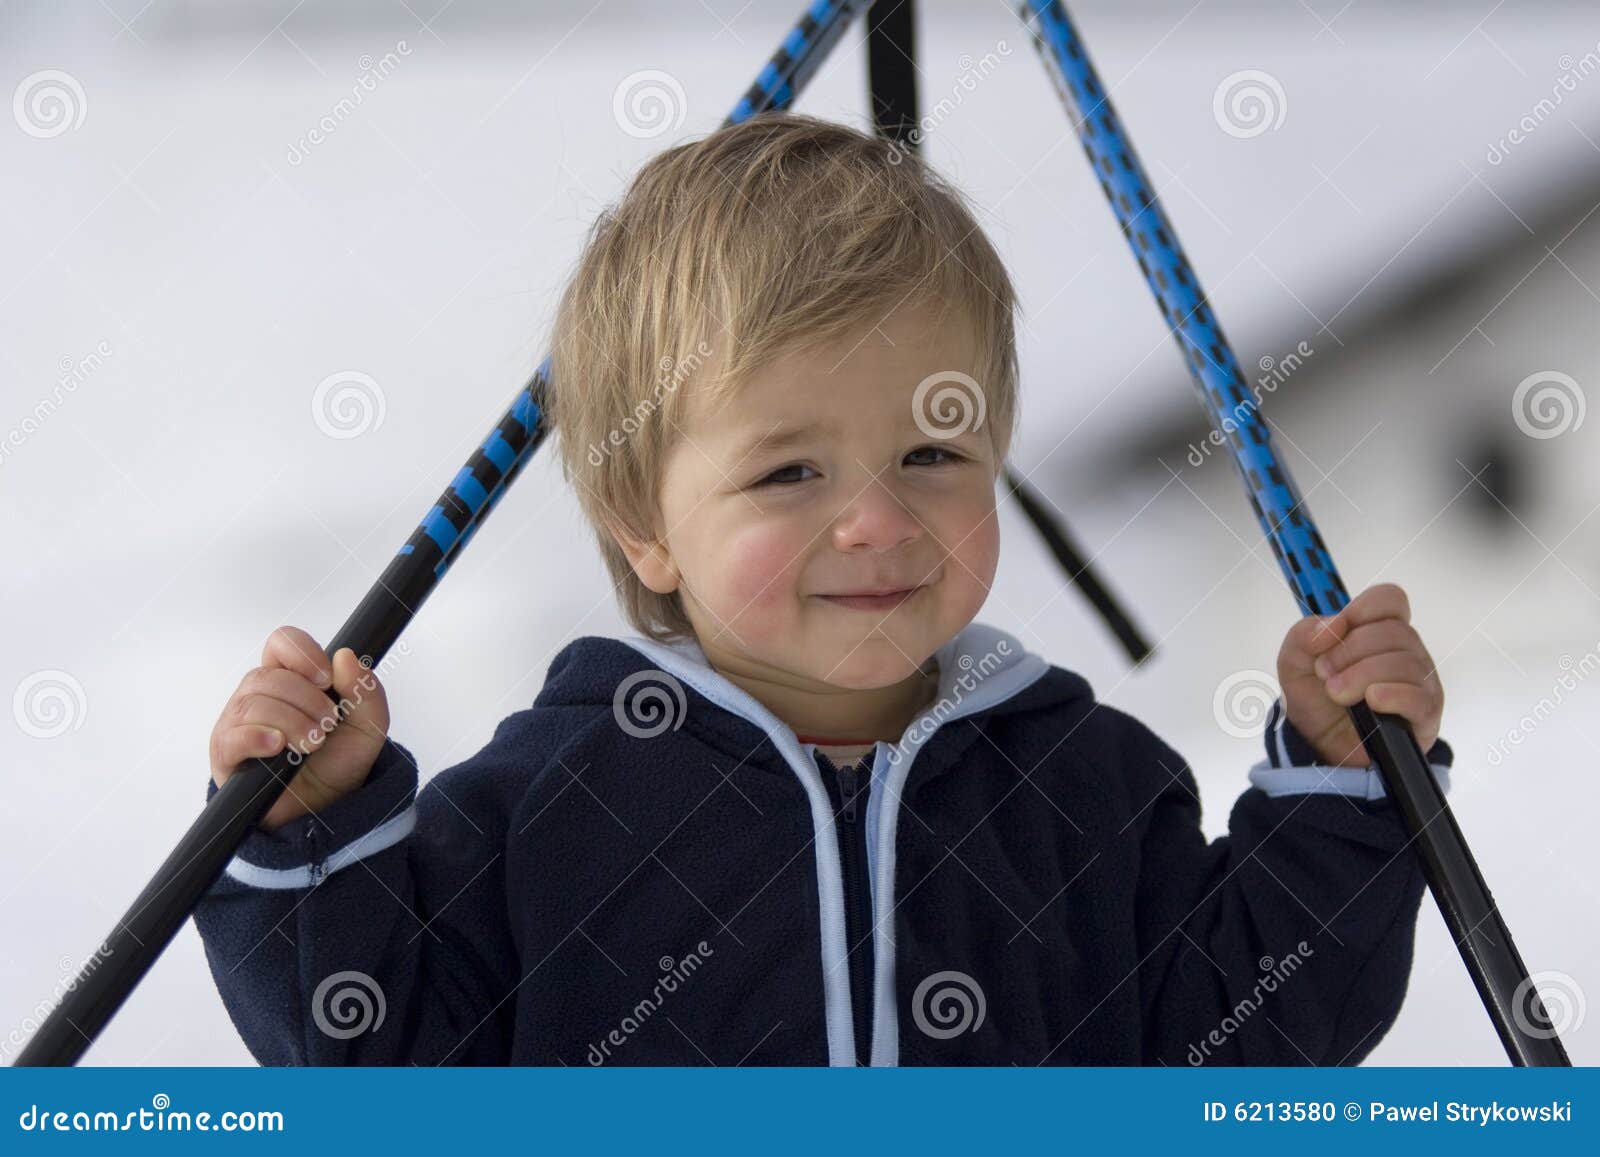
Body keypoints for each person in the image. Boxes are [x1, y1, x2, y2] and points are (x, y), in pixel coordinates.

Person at [194, 112, 1451, 1066]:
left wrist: (1342, 789)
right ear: (647, 525)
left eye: (932, 454)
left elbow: (1250, 1049)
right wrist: (309, 838)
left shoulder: (1088, 788)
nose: (875, 520)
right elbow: (369, 1068)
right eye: (789, 470)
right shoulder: (543, 812)